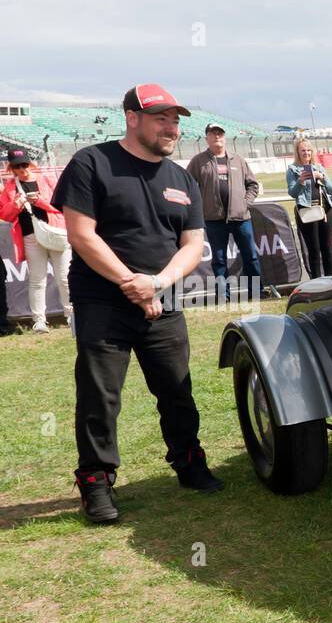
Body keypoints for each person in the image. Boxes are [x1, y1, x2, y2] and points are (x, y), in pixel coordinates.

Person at [51, 83, 221, 524]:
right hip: (102, 302)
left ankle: (188, 462)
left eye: (175, 120)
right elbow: (81, 234)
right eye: (161, 118)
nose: (171, 128)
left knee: (177, 389)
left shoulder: (181, 177)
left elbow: (193, 242)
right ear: (131, 117)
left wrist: (158, 283)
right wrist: (132, 284)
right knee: (99, 397)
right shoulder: (93, 162)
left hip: (161, 298)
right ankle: (96, 481)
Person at [186, 123, 262, 302]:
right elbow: (187, 186)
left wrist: (245, 204)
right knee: (219, 260)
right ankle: (223, 296)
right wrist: (198, 208)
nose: (217, 137)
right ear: (207, 138)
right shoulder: (199, 161)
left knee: (250, 256)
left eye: (220, 133)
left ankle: (257, 292)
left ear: (225, 137)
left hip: (241, 218)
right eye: (213, 134)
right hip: (213, 219)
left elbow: (253, 185)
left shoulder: (238, 159)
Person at [0, 146, 70, 333]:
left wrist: (38, 201)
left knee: (64, 278)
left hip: (54, 231)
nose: (22, 170)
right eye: (17, 167)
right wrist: (16, 205)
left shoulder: (47, 179)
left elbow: (61, 206)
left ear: (31, 163)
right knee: (37, 280)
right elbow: (5, 215)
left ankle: (71, 316)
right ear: (11, 168)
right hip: (30, 236)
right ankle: (39, 320)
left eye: (24, 165)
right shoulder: (10, 187)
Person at [285, 138, 332, 278]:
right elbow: (292, 193)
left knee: (327, 249)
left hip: (325, 210)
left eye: (308, 150)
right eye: (303, 150)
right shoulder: (292, 170)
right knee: (314, 249)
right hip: (306, 212)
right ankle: (317, 282)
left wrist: (322, 177)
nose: (306, 153)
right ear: (297, 152)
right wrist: (300, 181)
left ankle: (331, 280)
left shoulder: (319, 167)